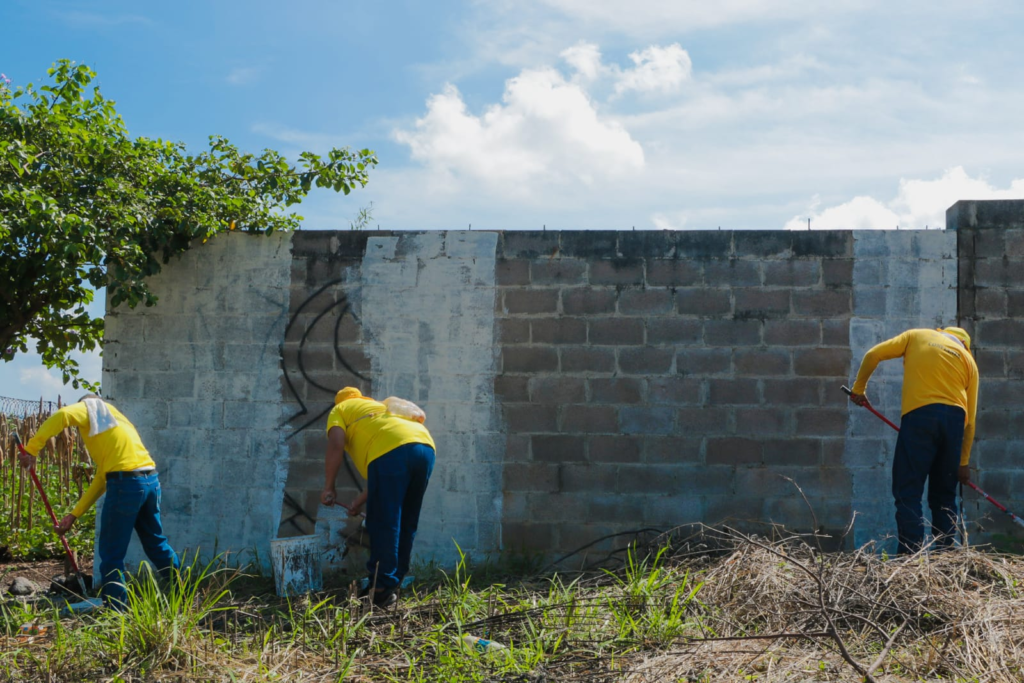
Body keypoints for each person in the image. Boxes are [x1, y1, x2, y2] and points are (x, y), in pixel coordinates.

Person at [19, 395, 179, 608]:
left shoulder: (90, 407)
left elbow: (63, 414)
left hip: (126, 484)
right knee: (156, 543)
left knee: (111, 553)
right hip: (150, 481)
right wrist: (74, 515)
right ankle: (184, 592)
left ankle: (116, 609)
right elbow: (103, 478)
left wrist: (31, 449)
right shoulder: (116, 422)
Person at [848, 327, 979, 555]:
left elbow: (873, 354)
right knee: (944, 496)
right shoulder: (969, 362)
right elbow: (971, 422)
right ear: (965, 345)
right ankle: (945, 557)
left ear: (941, 332)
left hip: (920, 416)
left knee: (908, 490)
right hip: (955, 422)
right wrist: (963, 463)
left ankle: (911, 555)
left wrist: (858, 389)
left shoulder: (918, 335)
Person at [320, 387, 435, 608]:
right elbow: (384, 475)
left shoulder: (340, 409)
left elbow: (336, 444)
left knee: (384, 522)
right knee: (406, 520)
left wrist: (328, 487)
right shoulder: (379, 409)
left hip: (393, 450)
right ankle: (392, 584)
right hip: (424, 446)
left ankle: (380, 589)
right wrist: (358, 503)